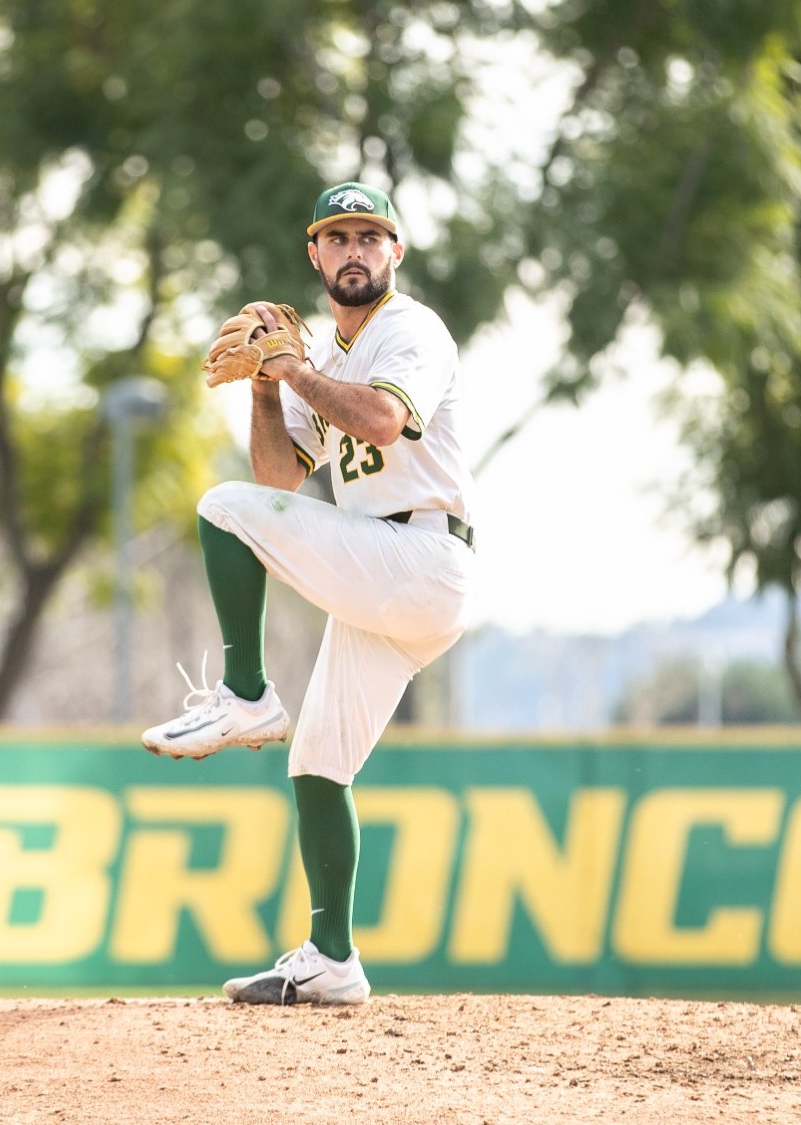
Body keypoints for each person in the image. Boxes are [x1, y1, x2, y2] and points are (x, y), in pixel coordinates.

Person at [141, 182, 475, 1006]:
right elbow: (279, 479)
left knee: (220, 509)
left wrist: (293, 369)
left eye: (371, 235)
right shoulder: (327, 358)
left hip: (422, 556)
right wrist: (266, 385)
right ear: (315, 254)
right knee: (319, 763)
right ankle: (334, 958)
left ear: (396, 252)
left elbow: (384, 423)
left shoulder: (411, 330)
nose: (355, 249)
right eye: (339, 236)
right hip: (386, 575)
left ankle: (245, 693)